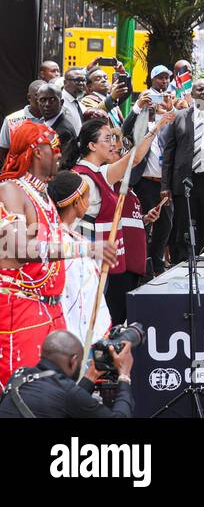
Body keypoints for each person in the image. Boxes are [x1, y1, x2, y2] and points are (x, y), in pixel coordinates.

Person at [0, 122, 115, 385]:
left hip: (52, 311)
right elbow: (17, 248)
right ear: (37, 151)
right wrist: (83, 248)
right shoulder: (10, 190)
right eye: (53, 147)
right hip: (21, 311)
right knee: (25, 395)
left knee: (56, 392)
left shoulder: (44, 198)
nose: (60, 153)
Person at [69, 115, 168, 324]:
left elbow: (134, 159)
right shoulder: (81, 177)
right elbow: (136, 158)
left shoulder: (101, 173)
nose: (112, 144)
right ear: (92, 145)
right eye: (107, 139)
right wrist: (154, 130)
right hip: (93, 262)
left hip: (107, 259)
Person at [0, 329, 134, 418]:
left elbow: (63, 400)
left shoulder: (19, 375)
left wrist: (90, 377)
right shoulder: (66, 392)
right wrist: (124, 375)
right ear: (74, 361)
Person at [123, 67, 177, 278]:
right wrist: (137, 106)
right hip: (144, 182)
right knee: (143, 226)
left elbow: (183, 135)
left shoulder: (171, 120)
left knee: (166, 225)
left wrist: (173, 110)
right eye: (159, 78)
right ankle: (143, 268)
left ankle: (157, 266)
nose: (156, 102)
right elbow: (125, 130)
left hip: (165, 184)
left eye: (167, 79)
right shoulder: (142, 120)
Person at [46, 171, 110, 348]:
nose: (89, 203)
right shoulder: (59, 243)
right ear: (76, 201)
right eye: (87, 197)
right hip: (69, 337)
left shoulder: (77, 240)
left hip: (85, 335)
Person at [160, 78, 204, 265]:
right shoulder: (180, 117)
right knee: (182, 225)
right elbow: (168, 153)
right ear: (192, 94)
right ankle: (180, 263)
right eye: (200, 89)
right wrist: (165, 185)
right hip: (185, 180)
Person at [0, 82, 77, 170]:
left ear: (61, 102)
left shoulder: (63, 131)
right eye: (43, 100)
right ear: (37, 102)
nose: (47, 104)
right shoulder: (46, 124)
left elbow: (60, 167)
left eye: (52, 99)